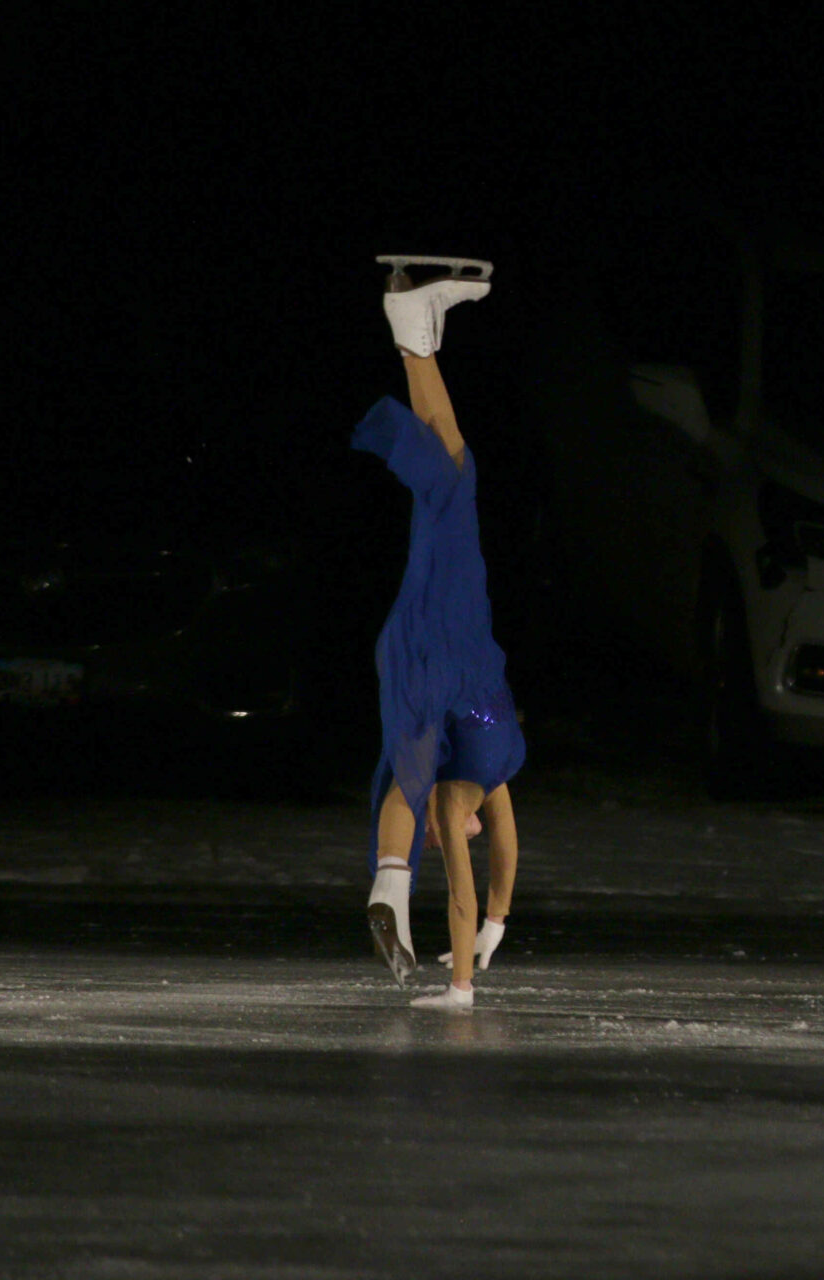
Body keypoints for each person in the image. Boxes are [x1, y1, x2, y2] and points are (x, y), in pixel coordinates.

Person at [351, 259, 525, 1011]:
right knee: (447, 475)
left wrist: (464, 981)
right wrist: (495, 921)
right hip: (440, 641)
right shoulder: (456, 781)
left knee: (454, 478)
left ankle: (413, 331)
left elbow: (470, 870)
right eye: (445, 831)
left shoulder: (443, 778)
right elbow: (500, 859)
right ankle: (414, 330)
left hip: (442, 639)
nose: (444, 830)